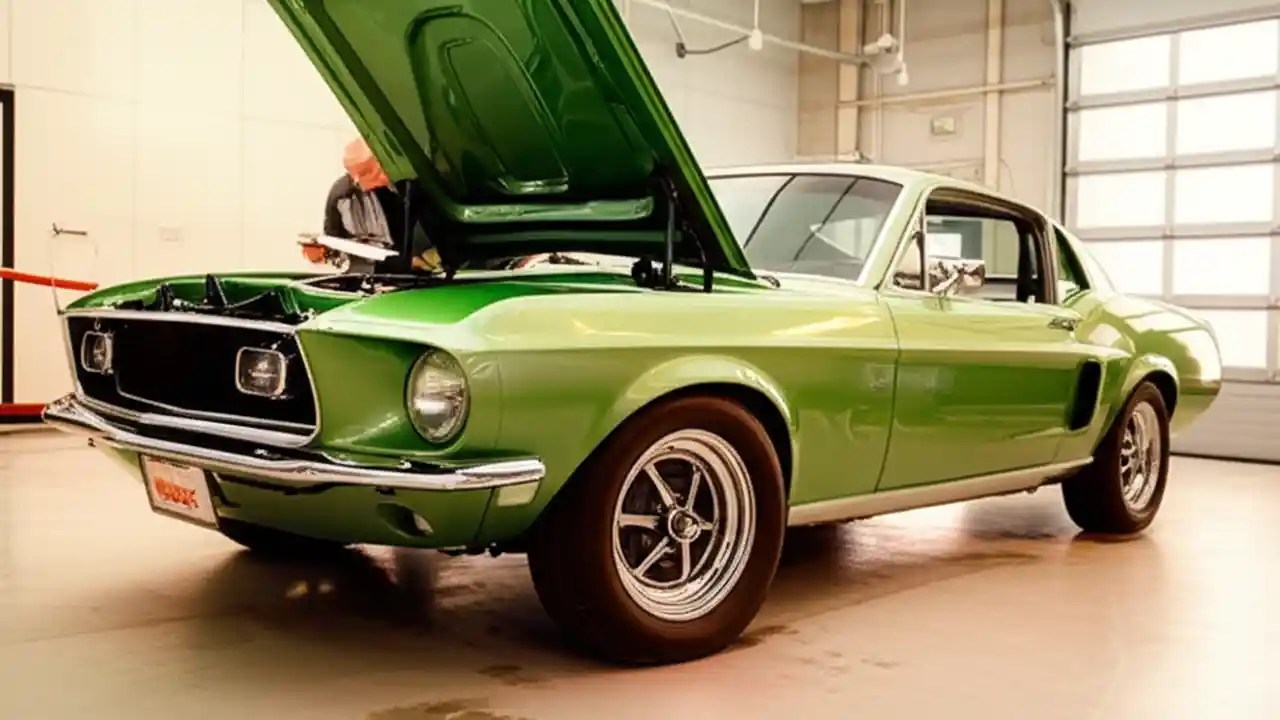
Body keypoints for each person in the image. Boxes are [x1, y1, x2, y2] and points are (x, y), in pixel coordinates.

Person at [306, 137, 441, 273]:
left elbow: (435, 240)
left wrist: (422, 259)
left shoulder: (413, 189)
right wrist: (323, 253)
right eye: (352, 172)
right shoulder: (341, 194)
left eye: (365, 171)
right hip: (362, 275)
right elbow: (333, 240)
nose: (357, 180)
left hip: (413, 277)